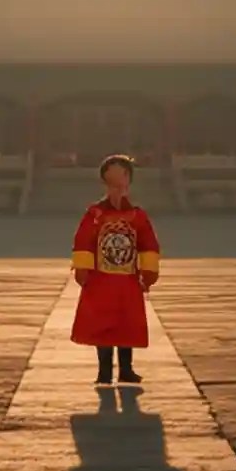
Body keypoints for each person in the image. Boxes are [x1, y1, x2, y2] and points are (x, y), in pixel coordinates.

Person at [70, 154, 161, 385]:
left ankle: (126, 369)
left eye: (121, 178)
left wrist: (148, 273)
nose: (117, 186)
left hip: (128, 280)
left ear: (128, 179)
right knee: (103, 325)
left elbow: (148, 244)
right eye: (112, 180)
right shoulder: (95, 214)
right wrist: (82, 269)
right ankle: (104, 370)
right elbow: (83, 241)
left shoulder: (137, 216)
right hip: (101, 280)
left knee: (127, 323)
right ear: (105, 181)